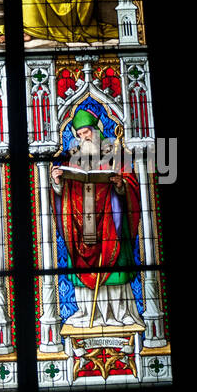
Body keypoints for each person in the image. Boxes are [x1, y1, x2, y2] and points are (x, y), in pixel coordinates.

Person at [50, 109, 141, 328]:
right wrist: (57, 182)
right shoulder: (72, 160)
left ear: (97, 131)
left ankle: (120, 313)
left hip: (112, 224)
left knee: (116, 268)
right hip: (81, 228)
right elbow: (62, 196)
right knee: (81, 268)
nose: (84, 138)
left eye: (87, 132)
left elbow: (133, 188)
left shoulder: (116, 155)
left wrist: (121, 184)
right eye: (80, 134)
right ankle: (87, 311)